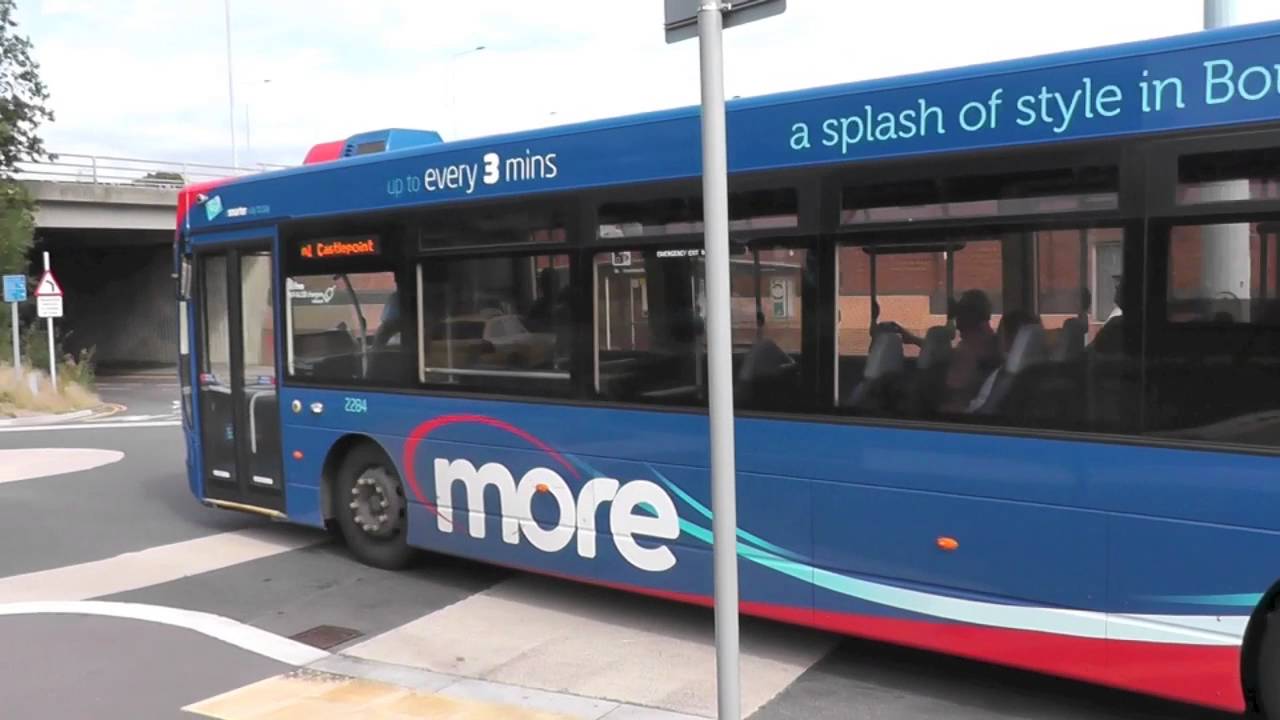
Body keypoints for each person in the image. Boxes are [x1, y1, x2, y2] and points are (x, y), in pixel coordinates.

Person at [967, 309, 1039, 413]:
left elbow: (978, 417)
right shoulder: (1050, 375)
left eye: (999, 335)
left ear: (1007, 340)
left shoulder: (1003, 377)